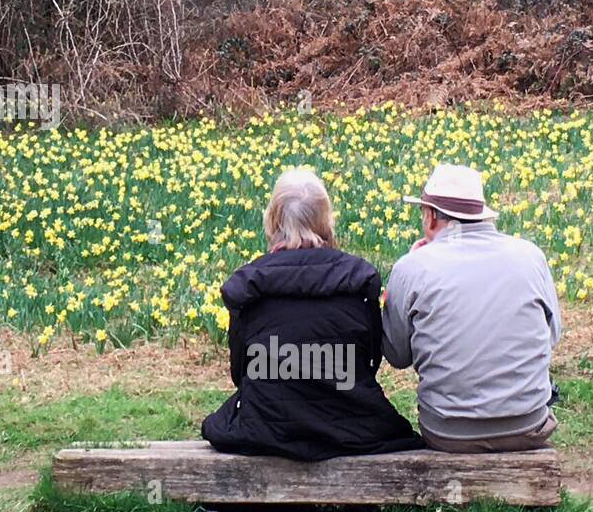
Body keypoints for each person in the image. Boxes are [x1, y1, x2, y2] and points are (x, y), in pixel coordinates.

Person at [200, 168, 422, 461]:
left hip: (267, 426)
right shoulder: (358, 279)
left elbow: (239, 371)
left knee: (217, 424)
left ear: (272, 221)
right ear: (326, 221)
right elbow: (368, 361)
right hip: (350, 421)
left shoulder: (249, 285)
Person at [382, 163, 562, 453]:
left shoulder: (412, 266)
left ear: (429, 216)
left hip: (448, 432)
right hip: (528, 425)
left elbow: (397, 355)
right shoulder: (531, 256)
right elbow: (552, 336)